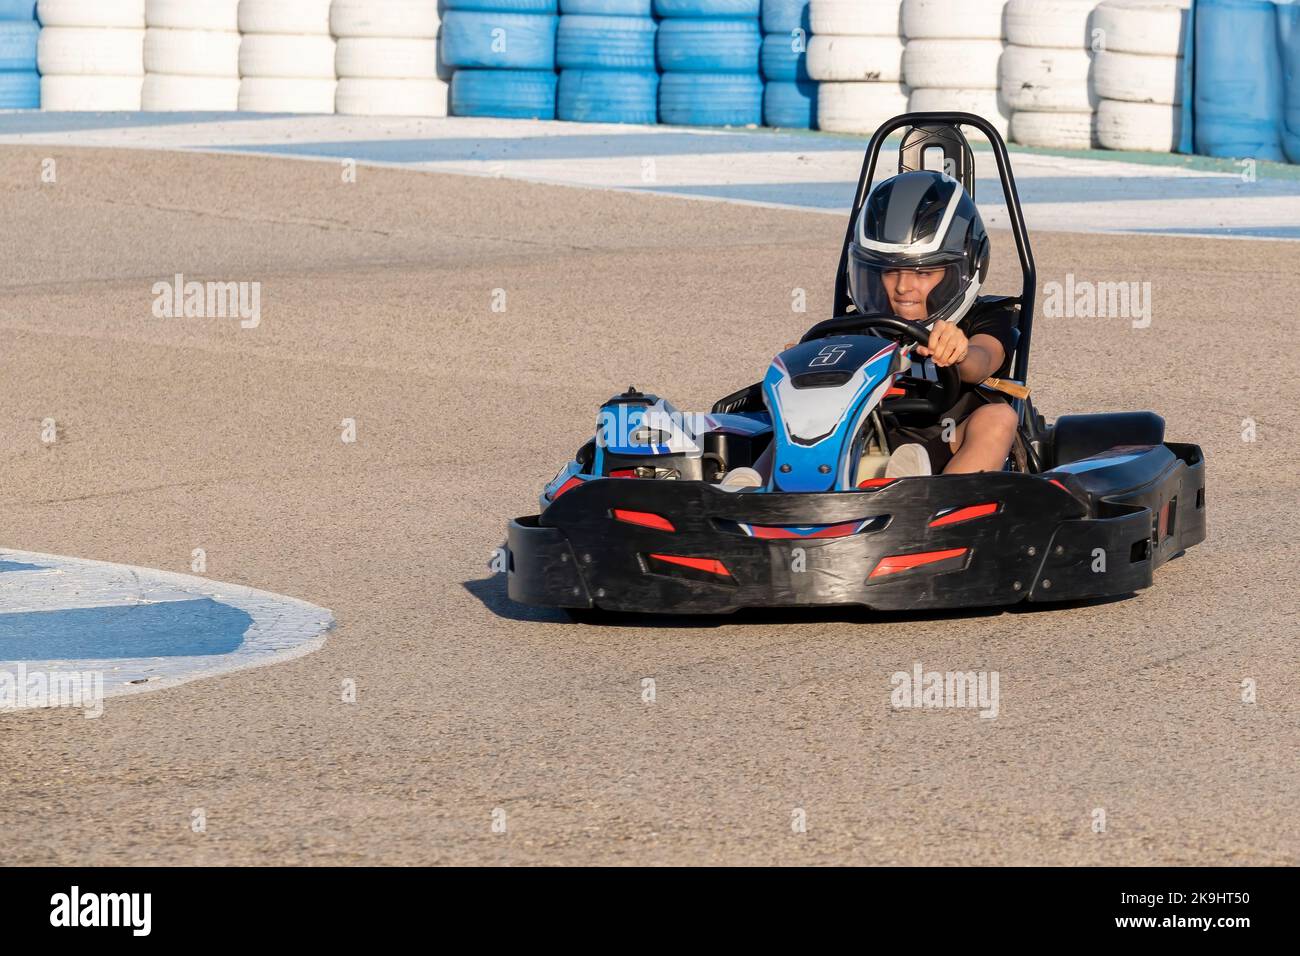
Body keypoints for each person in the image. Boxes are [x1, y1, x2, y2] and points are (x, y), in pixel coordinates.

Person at [846, 169, 1019, 477]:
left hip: (949, 444)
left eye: (922, 273)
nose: (902, 287)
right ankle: (755, 493)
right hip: (865, 446)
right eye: (889, 272)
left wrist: (961, 354)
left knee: (999, 417)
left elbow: (984, 358)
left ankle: (948, 508)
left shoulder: (983, 319)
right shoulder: (857, 326)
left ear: (964, 267)